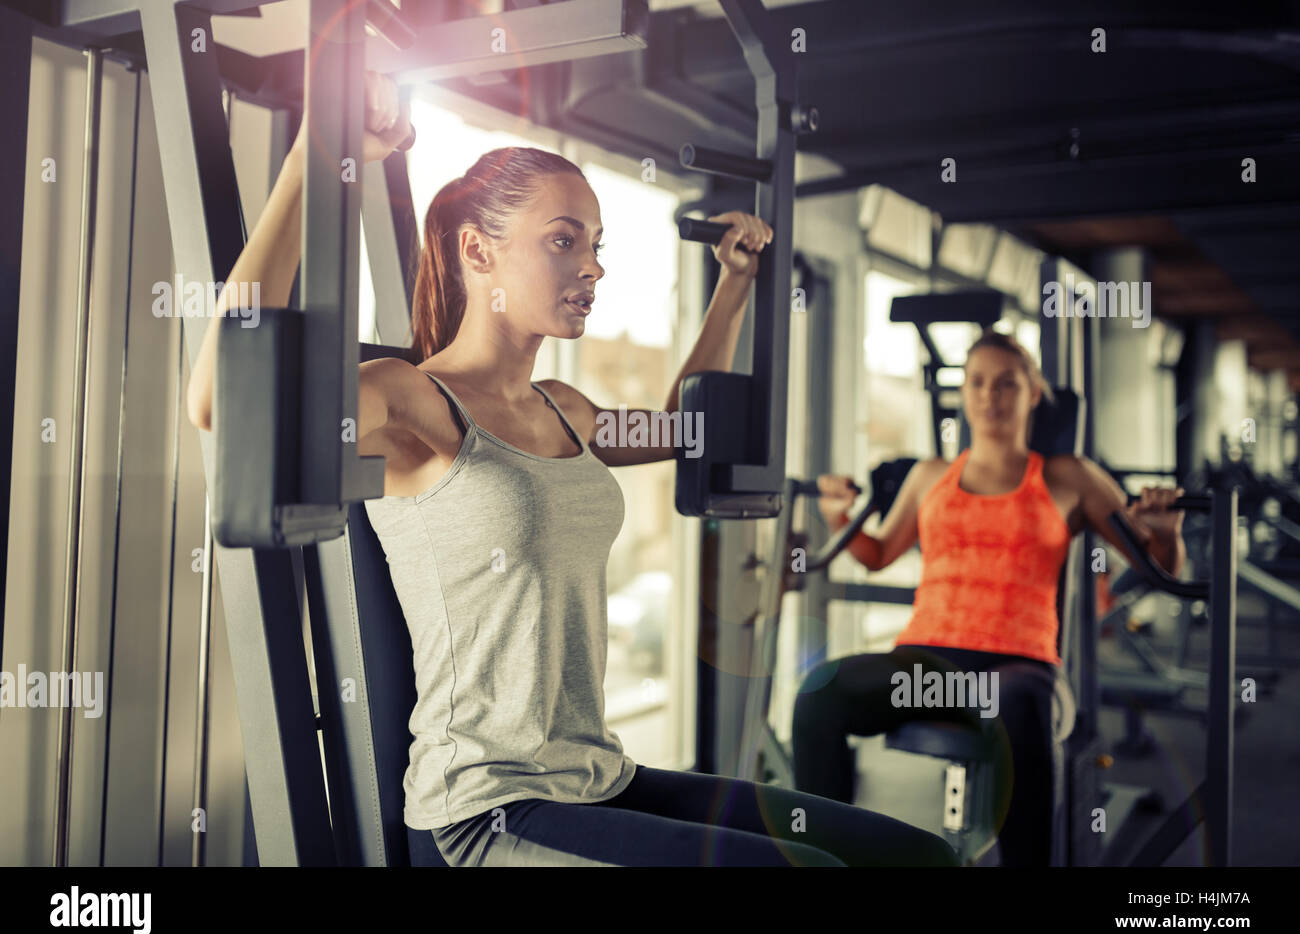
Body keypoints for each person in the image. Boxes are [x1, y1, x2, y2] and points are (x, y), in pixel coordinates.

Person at [187, 70, 956, 867]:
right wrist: (313, 158)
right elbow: (223, 402)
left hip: (597, 779)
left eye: (595, 246)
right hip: (490, 808)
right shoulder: (412, 405)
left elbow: (689, 428)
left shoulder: (567, 411)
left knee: (914, 858)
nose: (592, 267)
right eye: (563, 241)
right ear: (478, 251)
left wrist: (733, 287)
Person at [795, 329, 1187, 866]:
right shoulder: (929, 476)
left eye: (1006, 383)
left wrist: (1165, 532)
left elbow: (1161, 570)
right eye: (976, 382)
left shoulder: (1069, 477)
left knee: (1014, 704)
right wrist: (837, 516)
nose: (989, 396)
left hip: (1018, 668)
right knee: (821, 694)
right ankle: (826, 860)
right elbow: (878, 553)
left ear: (1032, 394)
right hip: (926, 670)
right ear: (963, 393)